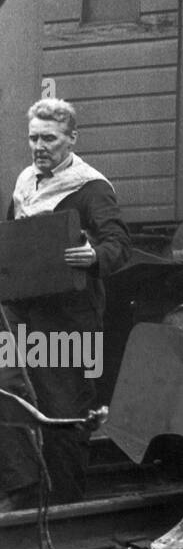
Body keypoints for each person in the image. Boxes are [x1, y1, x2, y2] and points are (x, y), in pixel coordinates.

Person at [0, 98, 131, 509]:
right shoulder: (26, 182)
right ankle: (25, 492)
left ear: (71, 139)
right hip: (23, 315)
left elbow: (119, 245)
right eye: (33, 138)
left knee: (63, 412)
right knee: (12, 397)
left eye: (49, 139)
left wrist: (94, 256)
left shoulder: (91, 188)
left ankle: (69, 510)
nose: (39, 146)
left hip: (70, 321)